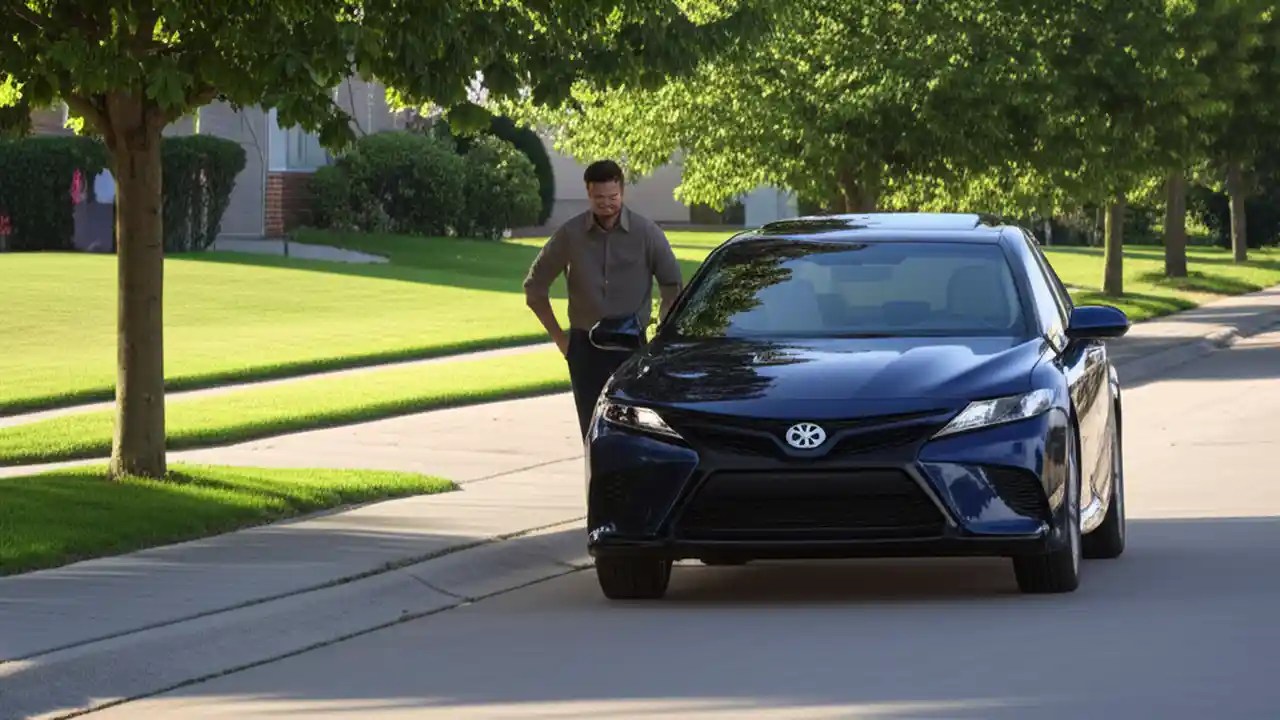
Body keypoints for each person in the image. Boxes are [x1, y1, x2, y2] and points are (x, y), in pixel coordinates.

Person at [523, 160, 684, 438]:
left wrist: (661, 329)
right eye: (599, 198)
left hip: (631, 349)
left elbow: (672, 284)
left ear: (622, 192)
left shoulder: (647, 233)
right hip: (585, 349)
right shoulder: (570, 235)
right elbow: (534, 288)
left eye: (613, 197)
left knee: (636, 431)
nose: (607, 204)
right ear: (588, 193)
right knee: (592, 430)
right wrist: (562, 340)